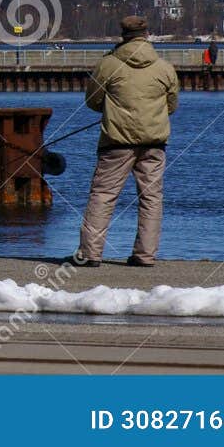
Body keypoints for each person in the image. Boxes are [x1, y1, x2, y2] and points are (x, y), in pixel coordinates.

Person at [72, 15, 178, 268]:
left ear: (123, 36)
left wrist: (114, 110)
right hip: (154, 142)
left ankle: (90, 254)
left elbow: (93, 101)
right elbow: (171, 106)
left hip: (116, 142)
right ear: (147, 35)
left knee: (103, 195)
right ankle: (145, 255)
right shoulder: (164, 67)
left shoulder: (108, 64)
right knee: (151, 198)